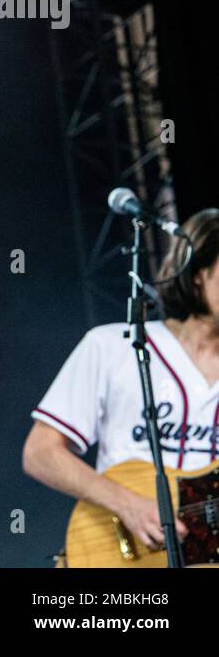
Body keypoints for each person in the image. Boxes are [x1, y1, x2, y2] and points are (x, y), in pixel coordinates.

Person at [22, 207, 219, 554]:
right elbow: (40, 453)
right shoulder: (113, 345)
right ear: (200, 271)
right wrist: (126, 503)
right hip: (120, 552)